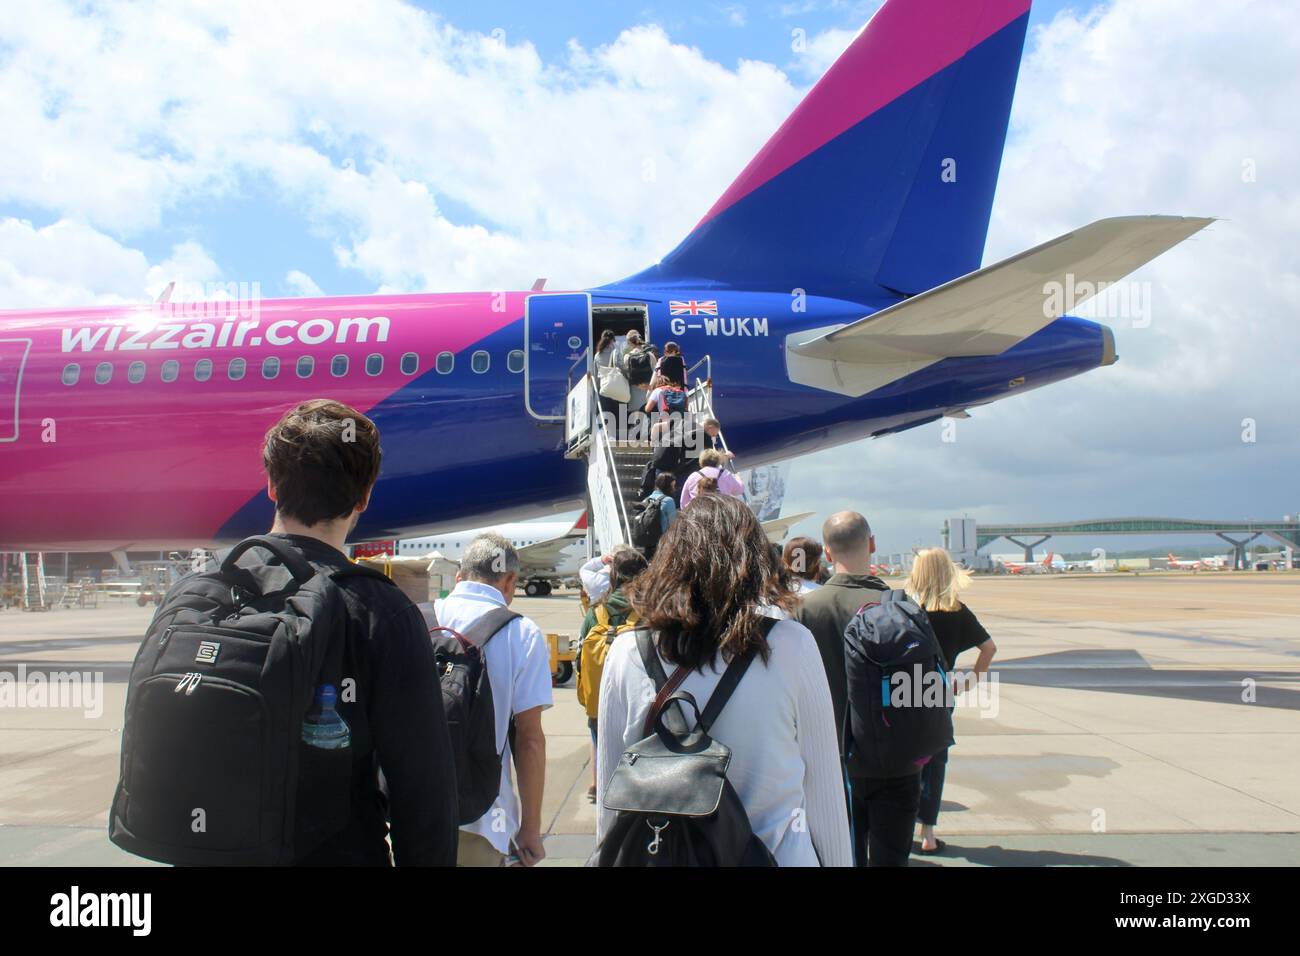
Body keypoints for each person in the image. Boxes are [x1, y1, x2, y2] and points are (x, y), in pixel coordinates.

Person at [596, 494, 852, 866]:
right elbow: (825, 787)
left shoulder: (625, 653)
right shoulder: (792, 645)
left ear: (669, 560)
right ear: (756, 561)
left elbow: (611, 795)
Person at [264, 400, 461, 865]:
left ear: (272, 486)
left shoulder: (197, 591)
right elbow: (423, 795)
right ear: (363, 498)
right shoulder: (380, 612)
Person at [795, 510, 917, 867]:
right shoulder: (902, 606)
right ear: (873, 544)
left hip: (830, 761)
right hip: (896, 759)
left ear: (828, 555)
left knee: (837, 856)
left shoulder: (805, 610)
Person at [435, 533, 553, 866]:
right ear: (510, 580)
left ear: (460, 575)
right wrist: (530, 828)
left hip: (411, 812)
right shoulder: (521, 633)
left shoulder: (418, 618)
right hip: (484, 816)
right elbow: (529, 740)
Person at [905, 548, 997, 855]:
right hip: (938, 690)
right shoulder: (958, 611)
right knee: (935, 760)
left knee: (904, 760)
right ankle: (928, 832)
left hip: (902, 690)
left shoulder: (905, 608)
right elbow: (989, 648)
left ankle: (901, 830)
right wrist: (971, 680)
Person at [576, 548, 648, 802]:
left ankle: (599, 786)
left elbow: (579, 654)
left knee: (600, 741)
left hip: (598, 697)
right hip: (636, 698)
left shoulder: (595, 612)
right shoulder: (648, 612)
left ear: (614, 575)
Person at [679, 448, 745, 509]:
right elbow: (739, 490)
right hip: (722, 513)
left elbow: (683, 503)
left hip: (699, 515)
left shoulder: (692, 477)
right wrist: (738, 477)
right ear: (717, 460)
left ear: (701, 461)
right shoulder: (725, 474)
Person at [618, 329, 658, 414]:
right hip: (649, 391)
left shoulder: (627, 357)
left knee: (636, 418)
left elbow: (625, 375)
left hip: (635, 392)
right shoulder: (649, 355)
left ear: (629, 342)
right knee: (651, 415)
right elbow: (656, 372)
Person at [592, 329, 624, 421]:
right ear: (612, 340)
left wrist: (598, 390)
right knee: (617, 417)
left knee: (605, 417)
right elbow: (621, 369)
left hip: (604, 389)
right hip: (616, 389)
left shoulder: (597, 355)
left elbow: (596, 374)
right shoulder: (616, 353)